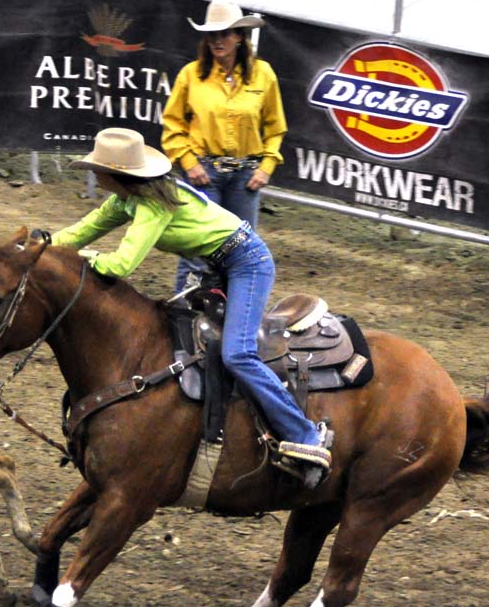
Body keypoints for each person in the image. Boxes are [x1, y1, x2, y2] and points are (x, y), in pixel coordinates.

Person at [52, 127, 331, 486]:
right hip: (219, 265)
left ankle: (307, 435)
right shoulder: (128, 199)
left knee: (238, 354)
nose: (93, 173)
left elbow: (121, 265)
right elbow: (82, 230)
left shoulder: (152, 206)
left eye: (97, 168)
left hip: (246, 264)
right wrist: (42, 246)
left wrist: (77, 262)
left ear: (115, 174)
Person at [161, 0, 287, 292]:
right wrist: (189, 163)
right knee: (196, 252)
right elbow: (173, 124)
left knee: (242, 252)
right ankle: (184, 313)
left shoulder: (263, 74)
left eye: (225, 33)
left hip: (246, 175)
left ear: (239, 37)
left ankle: (235, 314)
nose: (218, 40)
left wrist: (266, 167)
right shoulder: (191, 75)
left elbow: (275, 126)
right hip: (204, 172)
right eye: (213, 34)